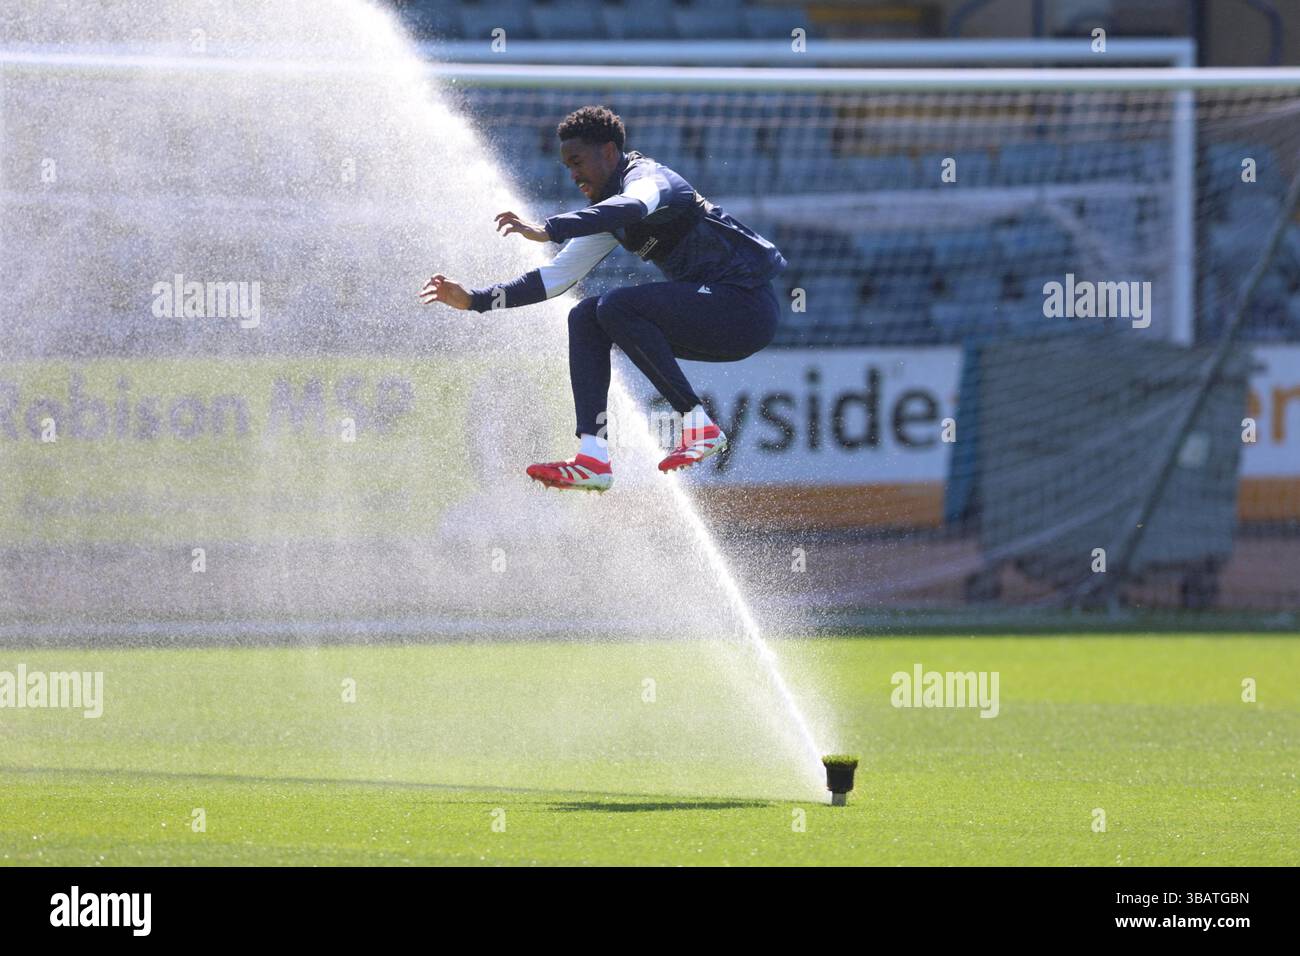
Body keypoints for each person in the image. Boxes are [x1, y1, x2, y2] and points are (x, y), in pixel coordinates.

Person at [420, 105, 787, 493]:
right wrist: (474, 300)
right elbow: (554, 279)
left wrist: (549, 229)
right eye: (567, 167)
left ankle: (698, 426)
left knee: (616, 305)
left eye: (577, 161)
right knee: (586, 316)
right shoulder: (610, 214)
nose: (574, 175)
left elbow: (632, 206)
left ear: (609, 152)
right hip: (716, 322)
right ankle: (593, 457)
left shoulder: (650, 179)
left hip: (745, 308)